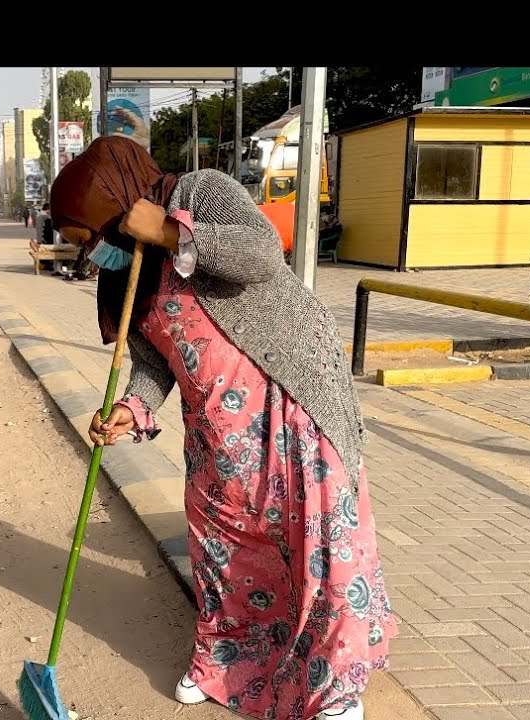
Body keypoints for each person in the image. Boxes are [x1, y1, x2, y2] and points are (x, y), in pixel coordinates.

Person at [49, 136, 395, 720]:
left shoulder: (201, 192)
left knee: (319, 544)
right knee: (226, 549)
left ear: (110, 202)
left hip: (293, 404)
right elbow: (157, 362)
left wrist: (167, 231)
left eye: (89, 236)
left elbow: (261, 254)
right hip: (218, 432)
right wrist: (132, 410)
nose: (92, 254)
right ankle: (229, 662)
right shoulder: (125, 276)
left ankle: (335, 685)